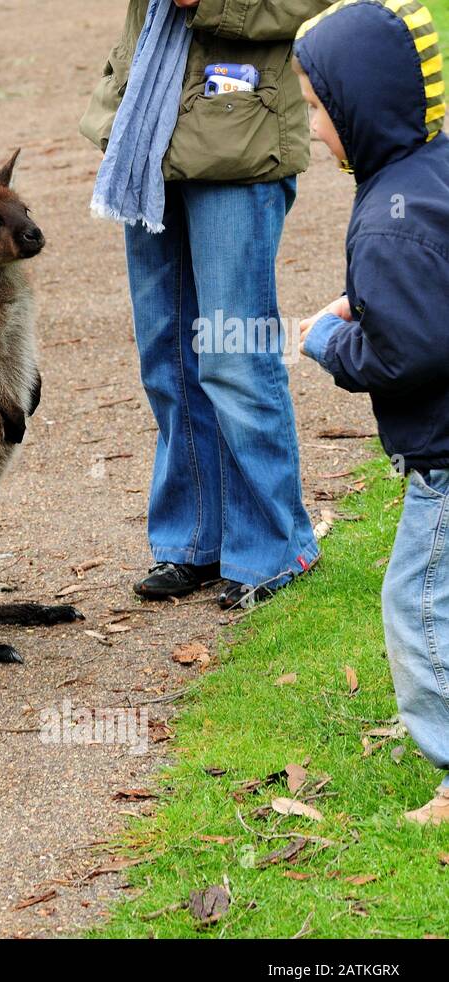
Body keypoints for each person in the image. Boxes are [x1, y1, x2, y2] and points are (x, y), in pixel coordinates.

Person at [81, 0, 331, 608]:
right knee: (166, 355)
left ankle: (275, 548)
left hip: (239, 136)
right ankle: (193, 540)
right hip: (147, 134)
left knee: (233, 355)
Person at [295, 0, 449, 825]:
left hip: (443, 462)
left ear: (362, 102)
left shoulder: (389, 220)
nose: (314, 128)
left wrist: (329, 339)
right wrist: (379, 304)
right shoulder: (433, 177)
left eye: (320, 106)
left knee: (418, 608)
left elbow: (408, 354)